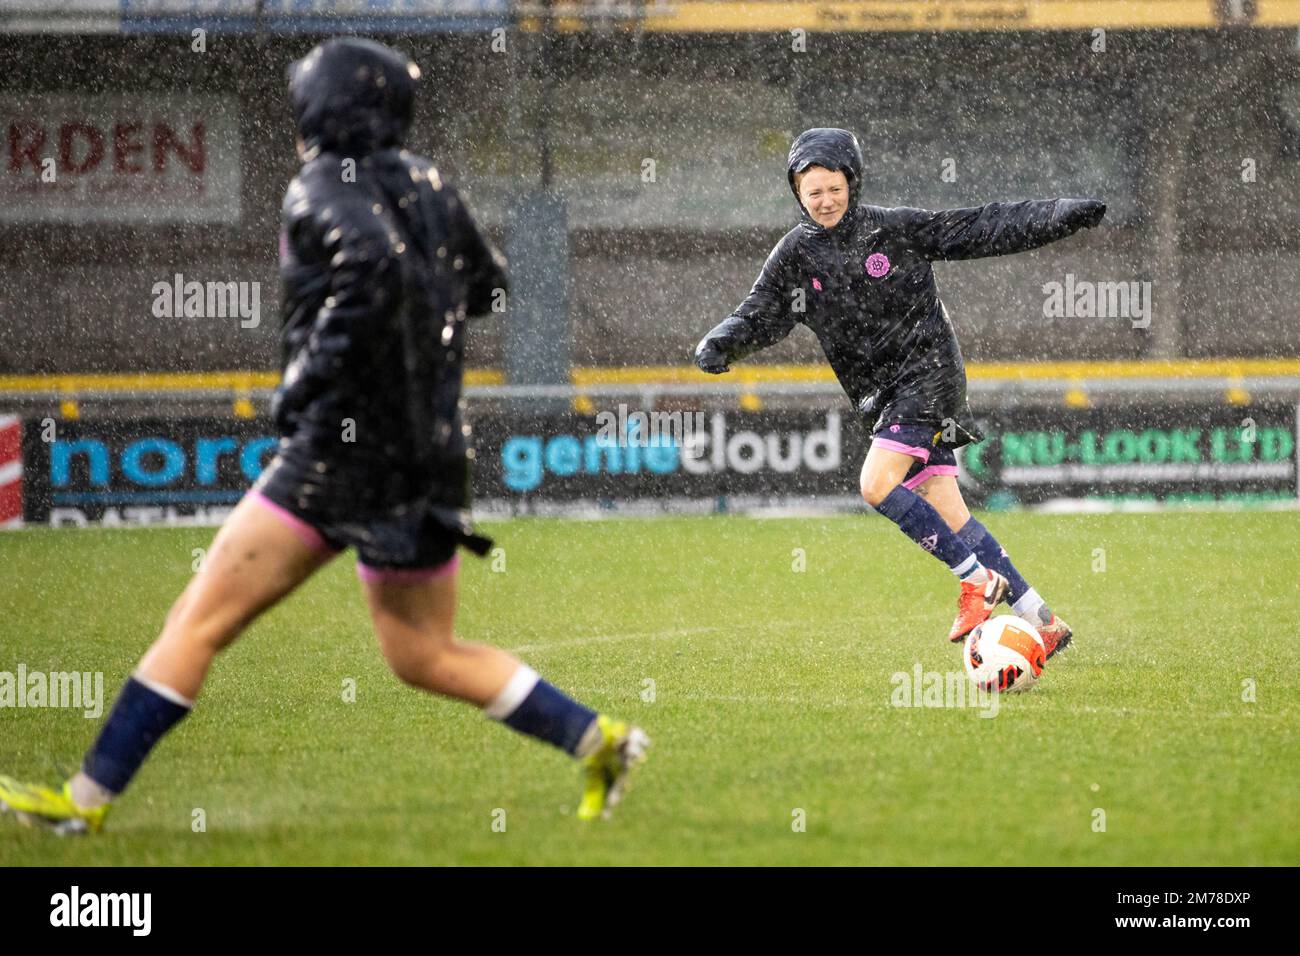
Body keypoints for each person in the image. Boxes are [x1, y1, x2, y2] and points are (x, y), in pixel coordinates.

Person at [0, 38, 647, 835]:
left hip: (335, 459)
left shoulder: (317, 183)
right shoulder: (431, 182)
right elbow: (487, 286)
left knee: (197, 621)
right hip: (426, 461)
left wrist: (308, 380)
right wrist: (415, 339)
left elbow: (373, 269)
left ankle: (83, 804)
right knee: (423, 656)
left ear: (321, 107)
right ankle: (600, 739)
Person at [695, 127, 1105, 652]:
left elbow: (982, 227)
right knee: (947, 508)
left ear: (854, 181)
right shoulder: (795, 254)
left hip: (928, 377)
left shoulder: (894, 230)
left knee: (875, 484)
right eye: (812, 191)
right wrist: (722, 341)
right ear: (796, 193)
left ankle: (977, 581)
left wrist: (1060, 214)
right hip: (881, 398)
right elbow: (762, 312)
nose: (824, 200)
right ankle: (1040, 618)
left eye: (834, 188)